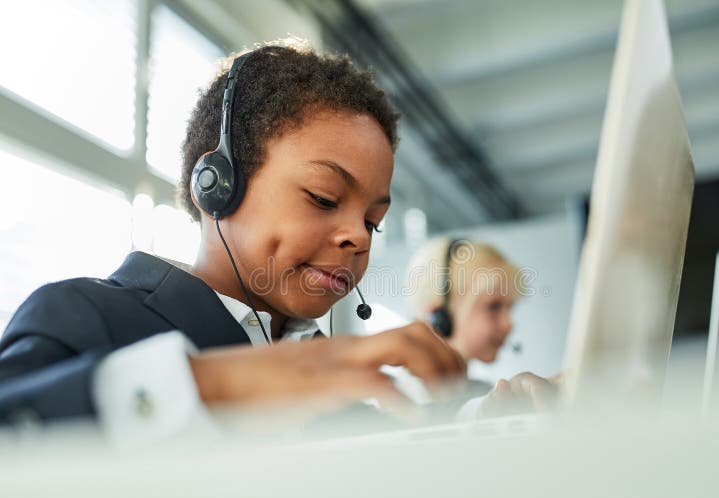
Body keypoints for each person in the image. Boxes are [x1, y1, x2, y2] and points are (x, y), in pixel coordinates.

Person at [0, 40, 465, 444]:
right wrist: (210, 385)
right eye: (324, 198)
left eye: (373, 221)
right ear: (217, 184)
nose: (358, 236)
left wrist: (494, 420)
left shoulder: (330, 371)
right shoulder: (80, 313)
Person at [408, 237, 559, 418]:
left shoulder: (482, 391)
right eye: (493, 307)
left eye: (509, 308)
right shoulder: (397, 398)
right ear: (439, 317)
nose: (508, 324)